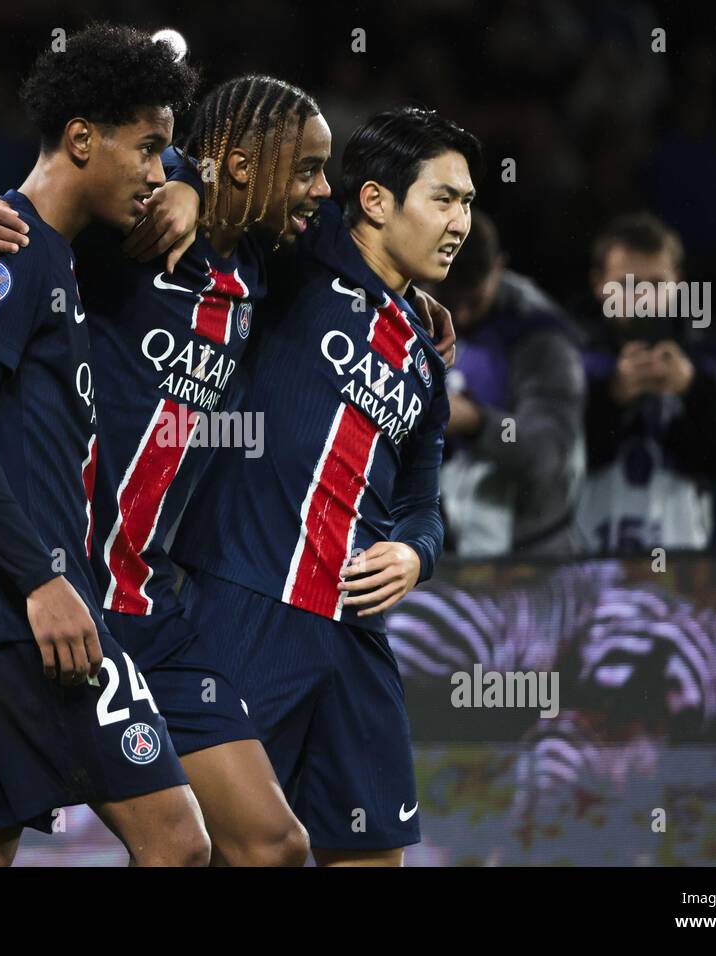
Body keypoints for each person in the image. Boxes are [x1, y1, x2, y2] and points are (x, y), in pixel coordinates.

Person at [0, 74, 331, 866]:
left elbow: (347, 237)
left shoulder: (267, 268)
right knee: (174, 842)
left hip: (147, 599)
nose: (321, 189)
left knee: (268, 845)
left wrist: (413, 309)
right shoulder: (111, 244)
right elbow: (3, 240)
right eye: (305, 169)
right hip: (64, 591)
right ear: (241, 164)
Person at [0, 23, 208, 867]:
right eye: (149, 149)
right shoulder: (14, 250)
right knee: (179, 844)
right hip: (21, 601)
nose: (157, 173)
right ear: (82, 139)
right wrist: (42, 580)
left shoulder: (51, 258)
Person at [169, 106, 473, 866]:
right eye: (444, 198)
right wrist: (181, 185)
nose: (461, 221)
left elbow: (421, 507)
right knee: (215, 851)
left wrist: (414, 555)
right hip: (246, 606)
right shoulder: (297, 255)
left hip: (356, 637)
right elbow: (236, 178)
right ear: (375, 200)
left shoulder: (428, 362)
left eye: (469, 202)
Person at [574, 212, 716, 553]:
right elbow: (551, 465)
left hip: (680, 578)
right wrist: (611, 397)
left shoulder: (704, 374)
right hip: (587, 576)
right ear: (599, 284)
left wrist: (692, 392)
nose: (642, 301)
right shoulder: (575, 367)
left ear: (679, 284)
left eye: (656, 286)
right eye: (626, 286)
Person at [432, 212, 586, 556]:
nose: (463, 315)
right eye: (450, 298)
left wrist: (474, 421)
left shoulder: (541, 337)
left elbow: (547, 454)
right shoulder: (415, 308)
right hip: (450, 555)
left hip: (533, 558)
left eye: (473, 300)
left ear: (499, 268)